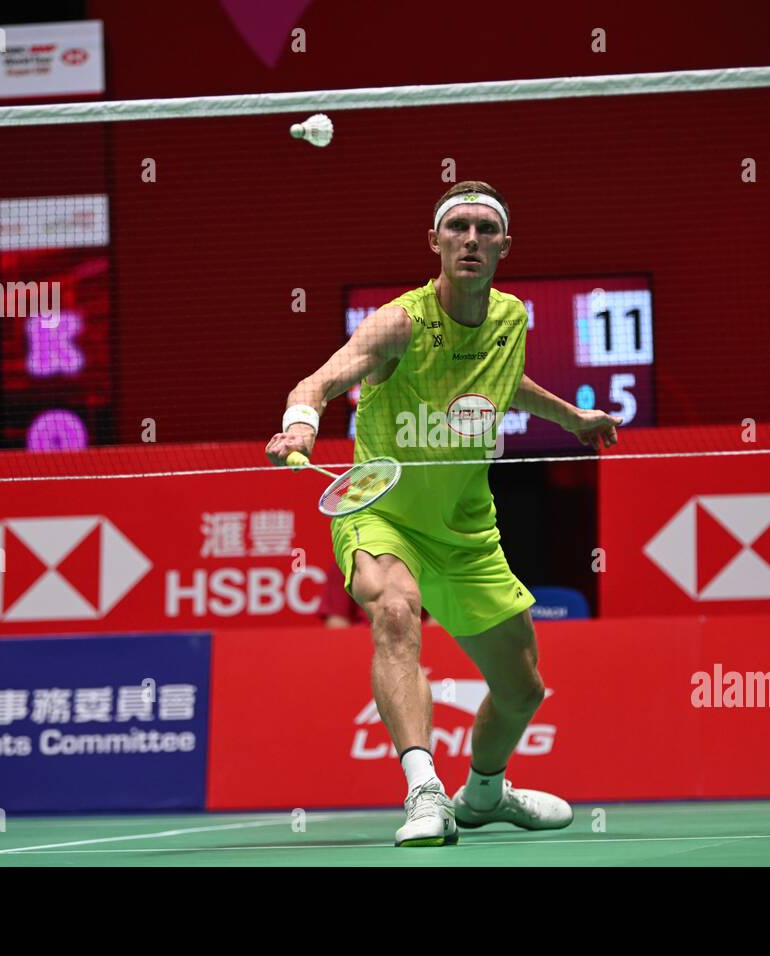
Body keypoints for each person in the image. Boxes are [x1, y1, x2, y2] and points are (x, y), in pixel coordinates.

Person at [266, 181, 620, 847]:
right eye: (457, 227)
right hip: (382, 514)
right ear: (435, 240)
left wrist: (572, 417)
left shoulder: (511, 318)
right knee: (394, 612)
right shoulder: (399, 322)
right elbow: (315, 383)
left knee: (522, 691)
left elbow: (504, 380)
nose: (471, 239)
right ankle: (424, 791)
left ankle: (484, 793)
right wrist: (300, 427)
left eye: (486, 230)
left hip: (466, 530)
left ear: (504, 246)